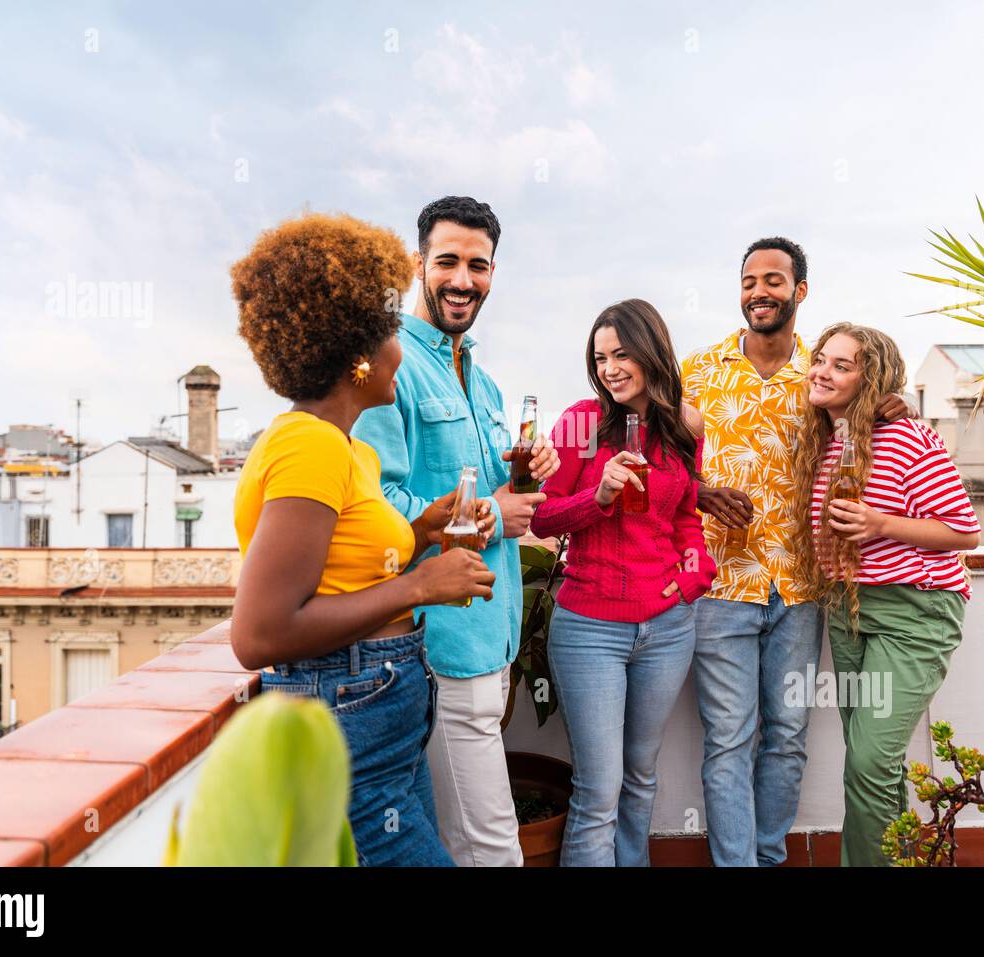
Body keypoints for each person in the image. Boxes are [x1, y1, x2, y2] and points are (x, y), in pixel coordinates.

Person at [227, 212, 497, 867]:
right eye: (386, 331)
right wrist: (420, 583)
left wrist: (418, 531)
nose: (399, 344)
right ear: (356, 354)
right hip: (349, 715)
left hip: (382, 712)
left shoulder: (345, 450)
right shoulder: (309, 446)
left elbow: (345, 563)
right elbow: (258, 635)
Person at [681, 237, 913, 866]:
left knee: (786, 739)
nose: (760, 291)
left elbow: (876, 416)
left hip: (805, 591)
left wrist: (894, 402)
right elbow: (663, 457)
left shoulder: (820, 375)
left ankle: (767, 856)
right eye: (749, 280)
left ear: (800, 291)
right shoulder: (698, 370)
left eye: (774, 281)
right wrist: (699, 491)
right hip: (720, 588)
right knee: (728, 740)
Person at [353, 196, 560, 867]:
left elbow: (500, 483)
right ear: (419, 264)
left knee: (462, 842)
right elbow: (378, 507)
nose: (463, 279)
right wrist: (500, 514)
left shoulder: (488, 382)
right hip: (441, 647)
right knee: (494, 849)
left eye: (479, 264)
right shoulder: (390, 368)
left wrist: (529, 471)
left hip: (492, 639)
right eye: (448, 261)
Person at [531, 298, 717, 867]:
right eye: (600, 357)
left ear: (651, 352)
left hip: (666, 627)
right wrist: (601, 495)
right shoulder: (581, 421)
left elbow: (686, 518)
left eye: (621, 354)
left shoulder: (685, 424)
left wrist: (691, 581)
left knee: (641, 775)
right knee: (600, 786)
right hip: (589, 627)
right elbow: (543, 517)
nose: (609, 368)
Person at [793, 322, 980, 866]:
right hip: (848, 609)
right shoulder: (830, 441)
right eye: (821, 360)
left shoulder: (906, 437)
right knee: (878, 763)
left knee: (870, 762)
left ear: (869, 378)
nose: (823, 371)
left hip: (913, 612)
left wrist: (880, 524)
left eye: (842, 365)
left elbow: (965, 531)